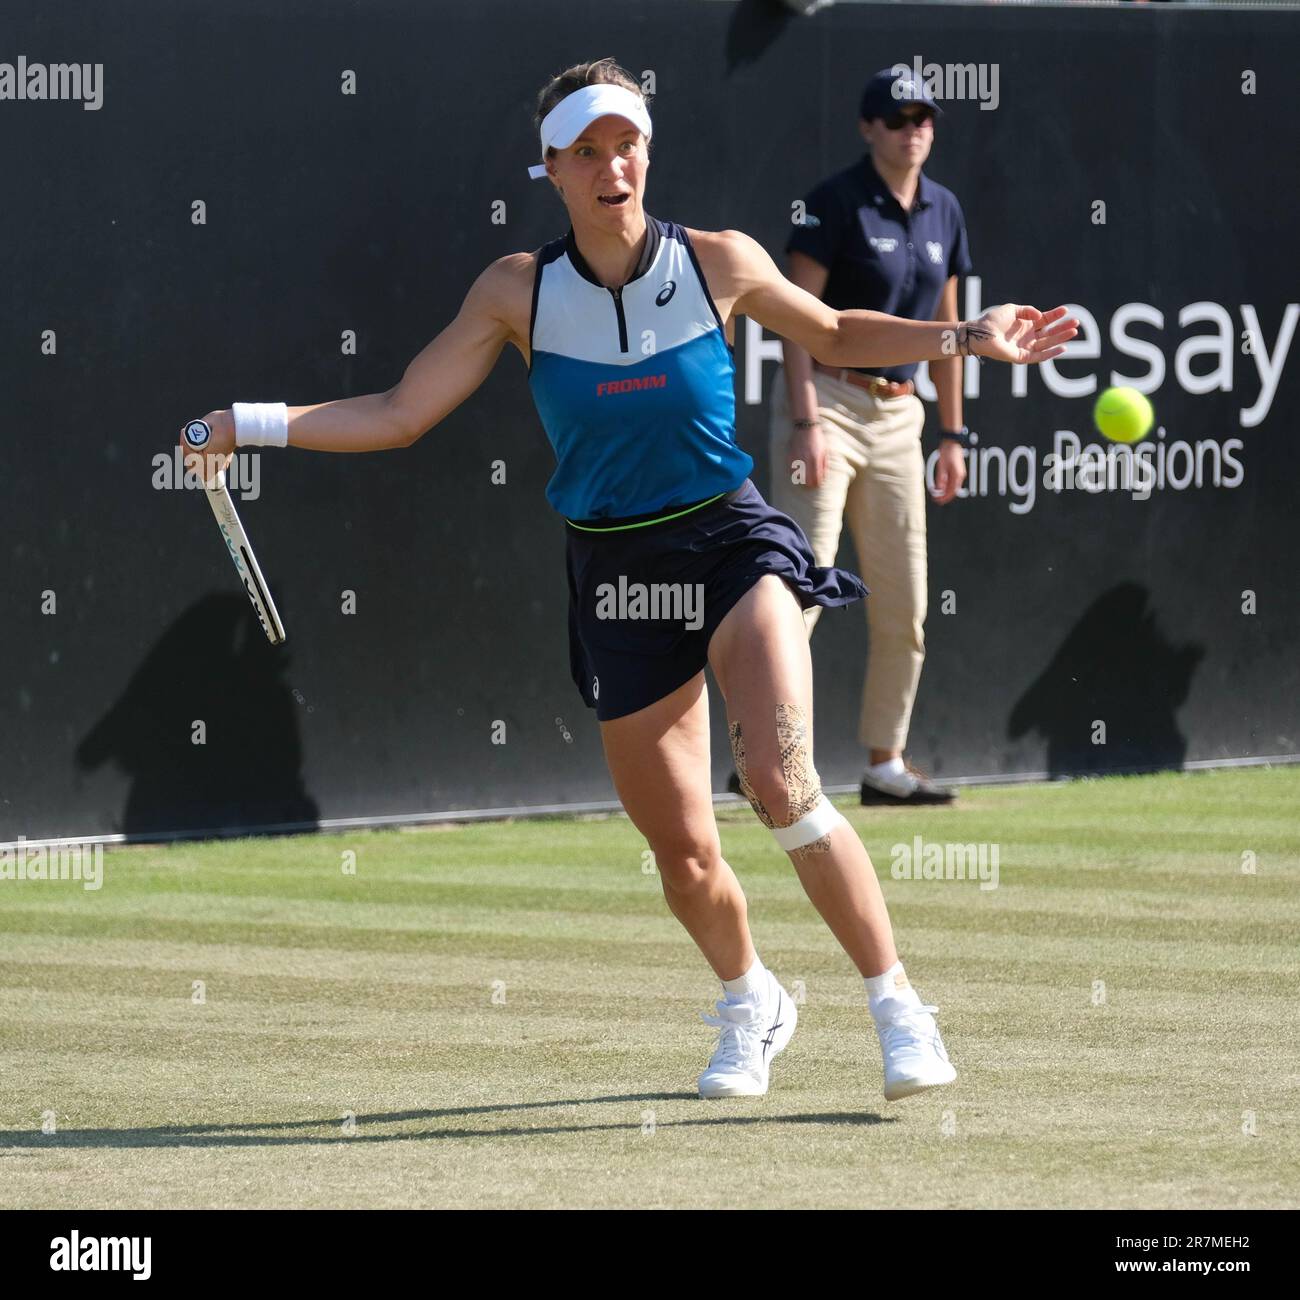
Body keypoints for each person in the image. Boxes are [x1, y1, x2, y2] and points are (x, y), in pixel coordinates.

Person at [179, 58, 1076, 1103]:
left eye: (628, 145)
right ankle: (750, 1001)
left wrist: (962, 334)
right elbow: (397, 410)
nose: (614, 167)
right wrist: (243, 425)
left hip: (732, 542)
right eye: (589, 152)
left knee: (784, 783)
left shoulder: (719, 261)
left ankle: (898, 1008)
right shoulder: (515, 290)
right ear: (551, 167)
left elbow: (830, 333)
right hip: (612, 570)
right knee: (684, 851)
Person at [770, 68, 976, 807]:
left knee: (905, 603)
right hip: (826, 400)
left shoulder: (945, 209)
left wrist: (953, 434)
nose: (912, 129)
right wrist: (804, 421)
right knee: (801, 591)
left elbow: (951, 332)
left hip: (901, 415)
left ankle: (886, 765)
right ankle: (770, 753)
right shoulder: (833, 202)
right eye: (897, 119)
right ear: (867, 128)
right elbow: (796, 320)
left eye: (924, 117)